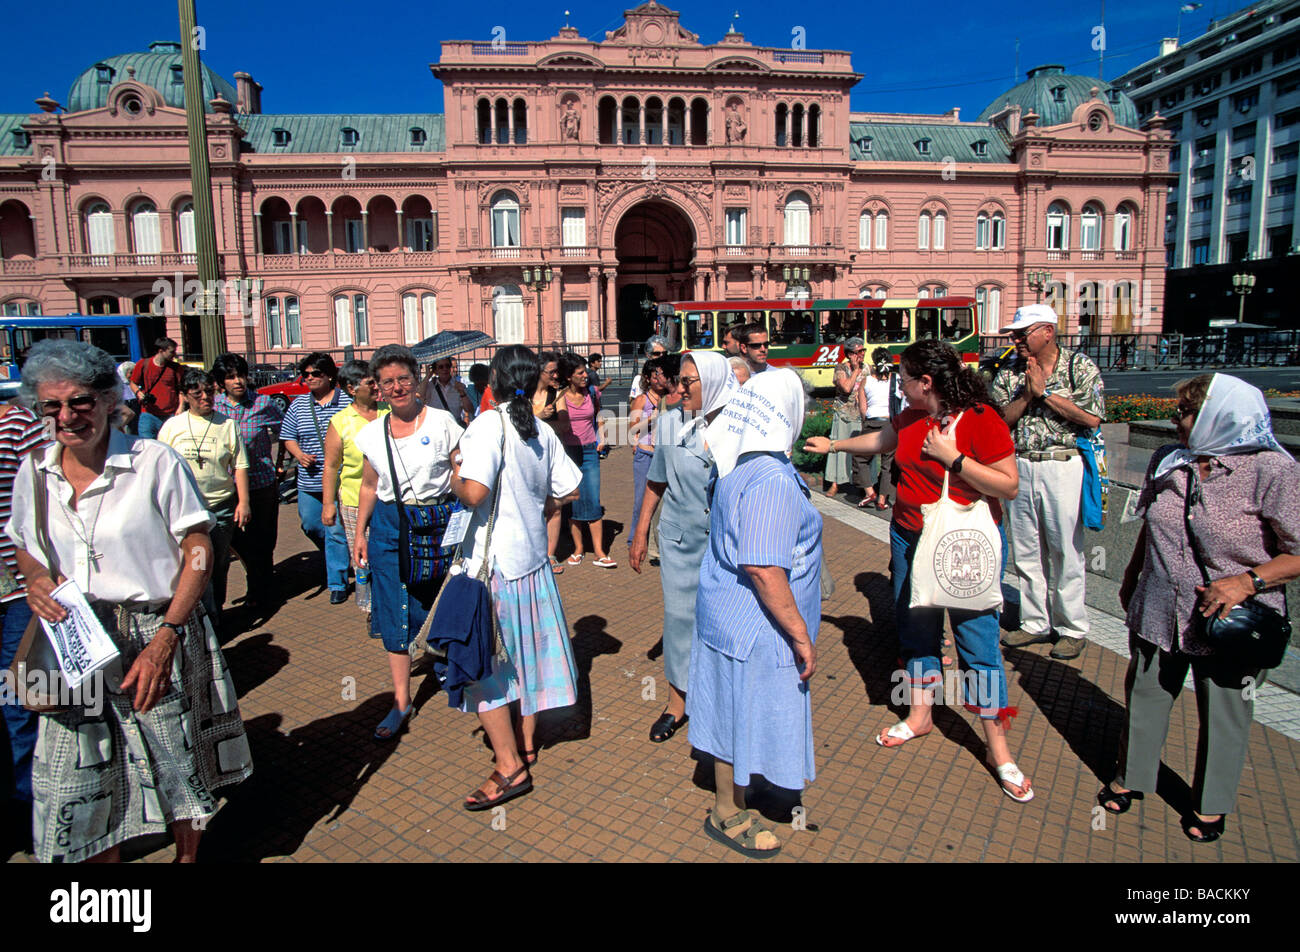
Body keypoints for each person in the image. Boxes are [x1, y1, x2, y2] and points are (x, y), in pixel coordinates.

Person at [7, 339, 252, 862]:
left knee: (173, 758)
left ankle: (187, 856)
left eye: (80, 401)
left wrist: (167, 637)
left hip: (156, 627)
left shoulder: (151, 461)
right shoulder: (35, 472)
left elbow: (198, 548)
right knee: (79, 777)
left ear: (107, 399)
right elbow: (25, 547)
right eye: (52, 406)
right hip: (76, 641)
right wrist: (33, 580)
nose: (68, 416)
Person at [804, 339, 1032, 803]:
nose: (899, 387)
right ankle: (920, 715)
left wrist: (954, 460)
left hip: (962, 546)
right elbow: (886, 439)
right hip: (909, 538)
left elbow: (1008, 486)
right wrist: (836, 444)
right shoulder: (911, 417)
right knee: (916, 633)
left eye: (905, 379)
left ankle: (999, 750)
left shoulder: (981, 420)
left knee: (978, 647)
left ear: (925, 382)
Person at [1101, 374, 1300, 843]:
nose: (1176, 421)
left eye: (1187, 413)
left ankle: (1210, 803)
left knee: (1225, 710)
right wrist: (1131, 578)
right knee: (1147, 694)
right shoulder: (1169, 460)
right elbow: (1150, 526)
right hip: (1159, 604)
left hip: (1231, 620)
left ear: (1221, 419)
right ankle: (1133, 776)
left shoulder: (1272, 470)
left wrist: (1247, 582)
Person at [689, 368, 821, 858]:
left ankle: (745, 786)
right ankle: (727, 809)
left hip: (732, 614)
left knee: (735, 705)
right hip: (754, 622)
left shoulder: (741, 464)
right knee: (737, 706)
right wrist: (801, 633)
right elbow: (764, 567)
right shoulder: (768, 478)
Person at [449, 345, 583, 809]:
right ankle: (525, 745)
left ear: (494, 383)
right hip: (531, 563)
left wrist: (453, 474)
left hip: (494, 569)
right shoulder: (541, 430)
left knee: (484, 669)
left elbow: (473, 493)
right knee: (524, 663)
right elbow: (569, 488)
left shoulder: (488, 424)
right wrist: (535, 509)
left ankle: (510, 766)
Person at [352, 345, 460, 741]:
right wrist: (359, 535)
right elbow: (368, 485)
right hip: (390, 525)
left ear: (417, 382)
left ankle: (448, 668)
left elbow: (461, 473)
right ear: (377, 389)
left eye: (403, 379)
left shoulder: (443, 422)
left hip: (440, 522)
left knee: (443, 598)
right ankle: (401, 701)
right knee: (395, 604)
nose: (397, 387)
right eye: (387, 382)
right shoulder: (371, 433)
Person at [630, 351, 736, 743]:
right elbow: (656, 480)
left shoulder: (736, 427)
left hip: (725, 544)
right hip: (679, 541)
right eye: (680, 380)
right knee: (679, 622)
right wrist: (642, 533)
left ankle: (718, 696)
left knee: (722, 621)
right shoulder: (670, 422)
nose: (680, 387)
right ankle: (677, 703)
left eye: (689, 380)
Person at [992, 304, 1104, 660]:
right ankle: (1034, 622)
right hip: (1021, 464)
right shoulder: (1010, 370)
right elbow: (1000, 422)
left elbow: (1091, 418)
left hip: (1063, 464)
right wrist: (1026, 394)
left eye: (1022, 334)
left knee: (1066, 548)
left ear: (1048, 332)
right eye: (1014, 334)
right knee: (1026, 549)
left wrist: (1044, 395)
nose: (1016, 340)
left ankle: (1071, 627)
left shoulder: (1079, 367)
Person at [156, 369, 251, 622]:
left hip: (220, 506)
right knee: (193, 564)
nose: (205, 397)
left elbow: (239, 465)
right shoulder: (172, 426)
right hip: (186, 510)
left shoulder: (228, 424)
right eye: (197, 393)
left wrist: (243, 502)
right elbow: (161, 467)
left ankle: (214, 614)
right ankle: (197, 617)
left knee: (216, 564)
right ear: (185, 396)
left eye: (209, 391)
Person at [0, 394, 47, 852]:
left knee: (18, 700)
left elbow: (50, 493)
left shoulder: (17, 426)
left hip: (18, 590)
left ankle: (34, 811)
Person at [280, 352, 354, 604]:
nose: (309, 378)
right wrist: (299, 454)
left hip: (339, 478)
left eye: (315, 374)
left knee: (334, 529)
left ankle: (337, 582)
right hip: (309, 479)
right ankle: (339, 554)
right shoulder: (299, 405)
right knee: (310, 524)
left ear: (330, 376)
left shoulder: (346, 401)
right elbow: (288, 435)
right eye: (306, 374)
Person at [211, 353, 283, 609]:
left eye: (240, 375)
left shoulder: (263, 403)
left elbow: (285, 432)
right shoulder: (214, 407)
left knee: (263, 541)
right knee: (237, 541)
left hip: (261, 482)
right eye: (231, 377)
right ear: (221, 382)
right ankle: (251, 579)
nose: (238, 381)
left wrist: (281, 464)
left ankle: (260, 590)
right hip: (228, 486)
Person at [321, 360, 387, 600]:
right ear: (351, 389)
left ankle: (386, 603)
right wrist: (328, 504)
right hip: (353, 501)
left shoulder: (388, 414)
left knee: (386, 555)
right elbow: (330, 466)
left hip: (387, 499)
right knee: (363, 557)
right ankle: (369, 606)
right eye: (370, 382)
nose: (376, 386)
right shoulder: (340, 422)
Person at [554, 353, 614, 568]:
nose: (585, 375)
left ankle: (599, 551)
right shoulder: (559, 396)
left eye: (585, 371)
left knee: (593, 498)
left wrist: (601, 437)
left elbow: (598, 415)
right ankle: (578, 549)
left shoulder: (592, 392)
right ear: (569, 376)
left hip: (589, 452)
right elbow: (557, 426)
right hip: (569, 453)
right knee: (574, 500)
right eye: (580, 372)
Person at [628, 356, 673, 557]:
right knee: (641, 500)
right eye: (655, 375)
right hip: (646, 454)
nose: (659, 379)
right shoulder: (642, 399)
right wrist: (652, 420)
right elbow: (631, 429)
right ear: (648, 377)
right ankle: (634, 539)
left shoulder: (671, 398)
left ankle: (658, 542)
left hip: (664, 453)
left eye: (662, 375)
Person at [532, 352, 565, 574]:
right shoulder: (522, 393)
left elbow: (565, 427)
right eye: (551, 371)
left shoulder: (557, 394)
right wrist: (538, 416)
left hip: (550, 455)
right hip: (529, 455)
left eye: (556, 371)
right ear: (539, 372)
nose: (555, 375)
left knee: (554, 504)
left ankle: (550, 554)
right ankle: (534, 551)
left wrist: (548, 423)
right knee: (533, 505)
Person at [823, 337, 866, 498]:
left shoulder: (867, 368)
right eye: (858, 352)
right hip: (843, 414)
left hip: (860, 414)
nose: (861, 355)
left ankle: (863, 484)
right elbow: (847, 388)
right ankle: (835, 483)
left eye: (863, 351)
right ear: (849, 354)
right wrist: (855, 370)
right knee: (838, 447)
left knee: (860, 450)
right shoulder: (841, 368)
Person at [858, 347, 897, 510]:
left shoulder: (866, 380)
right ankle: (882, 500)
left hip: (872, 422)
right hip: (890, 423)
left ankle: (869, 492)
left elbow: (862, 407)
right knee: (888, 464)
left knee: (860, 458)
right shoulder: (896, 379)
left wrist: (865, 422)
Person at [128, 337, 182, 439]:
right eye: (172, 352)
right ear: (161, 351)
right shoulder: (143, 364)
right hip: (148, 414)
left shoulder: (176, 368)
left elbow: (181, 390)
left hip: (170, 415)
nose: (174, 354)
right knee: (148, 447)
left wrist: (181, 406)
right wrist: (138, 393)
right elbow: (133, 383)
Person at [424, 357, 472, 427]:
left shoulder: (459, 386)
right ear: (435, 370)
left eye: (447, 366)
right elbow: (419, 395)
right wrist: (427, 376)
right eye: (441, 367)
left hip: (454, 427)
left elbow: (469, 410)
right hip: (436, 426)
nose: (445, 369)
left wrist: (462, 393)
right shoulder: (430, 386)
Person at [628, 336, 670, 401]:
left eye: (664, 353)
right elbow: (633, 405)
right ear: (648, 355)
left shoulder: (672, 375)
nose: (661, 357)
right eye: (657, 353)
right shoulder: (639, 380)